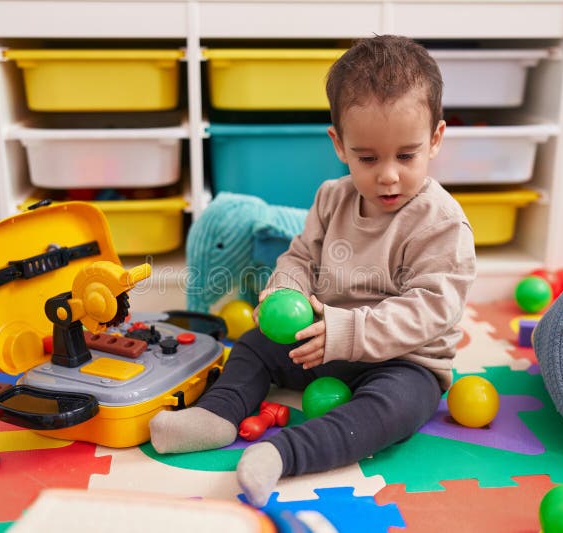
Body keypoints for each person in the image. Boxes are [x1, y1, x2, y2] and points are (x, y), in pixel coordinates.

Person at [149, 34, 477, 507]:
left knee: (394, 410)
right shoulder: (331, 197)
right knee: (255, 344)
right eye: (368, 157)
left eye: (407, 156)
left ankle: (284, 453)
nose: (388, 175)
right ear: (339, 144)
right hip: (322, 342)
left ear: (436, 139)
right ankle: (216, 416)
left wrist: (348, 331)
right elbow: (301, 258)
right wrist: (283, 291)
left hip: (405, 360)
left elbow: (432, 309)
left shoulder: (441, 222)